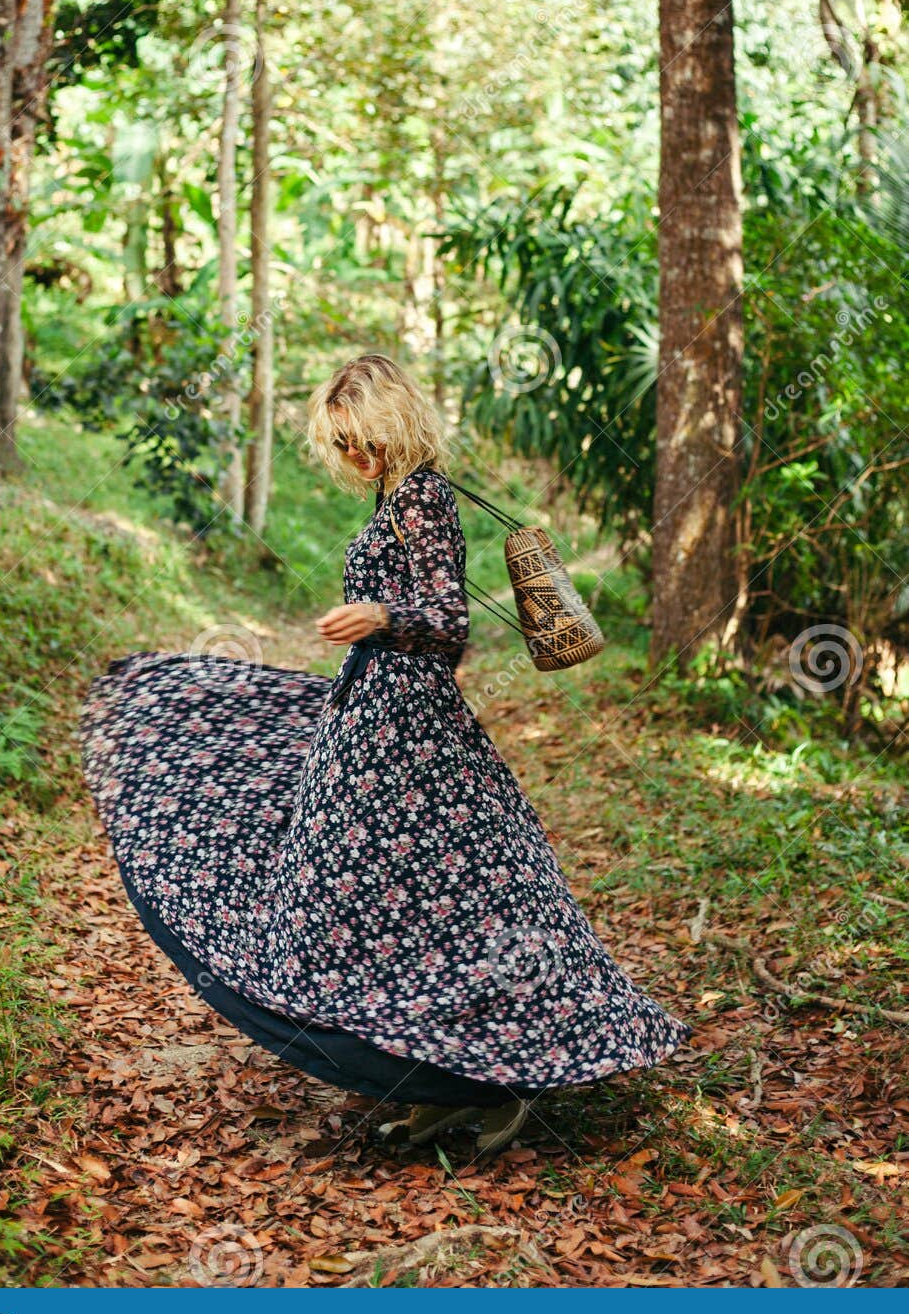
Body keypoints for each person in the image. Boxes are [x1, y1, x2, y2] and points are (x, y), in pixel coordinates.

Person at [80, 353, 691, 1159]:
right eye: (340, 442)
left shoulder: (425, 498)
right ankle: (438, 1076)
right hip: (371, 711)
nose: (354, 455)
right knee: (386, 895)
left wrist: (376, 614)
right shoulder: (393, 494)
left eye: (362, 438)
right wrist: (372, 627)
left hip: (404, 723)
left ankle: (488, 1071)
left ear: (395, 423)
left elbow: (449, 625)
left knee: (382, 894)